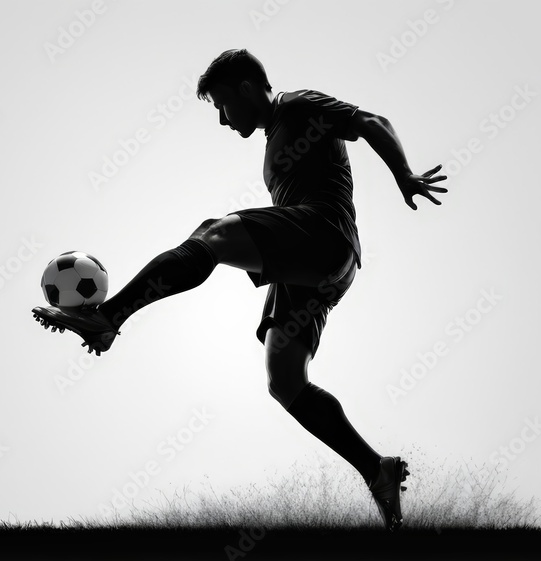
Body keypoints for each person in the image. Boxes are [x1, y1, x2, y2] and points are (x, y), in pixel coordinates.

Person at [33, 48, 447, 530]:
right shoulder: (276, 139)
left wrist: (405, 175)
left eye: (222, 107)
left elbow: (372, 119)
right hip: (312, 266)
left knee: (214, 233)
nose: (224, 122)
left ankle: (108, 318)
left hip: (323, 234)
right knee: (284, 381)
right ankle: (376, 470)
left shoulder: (297, 106)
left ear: (247, 88)